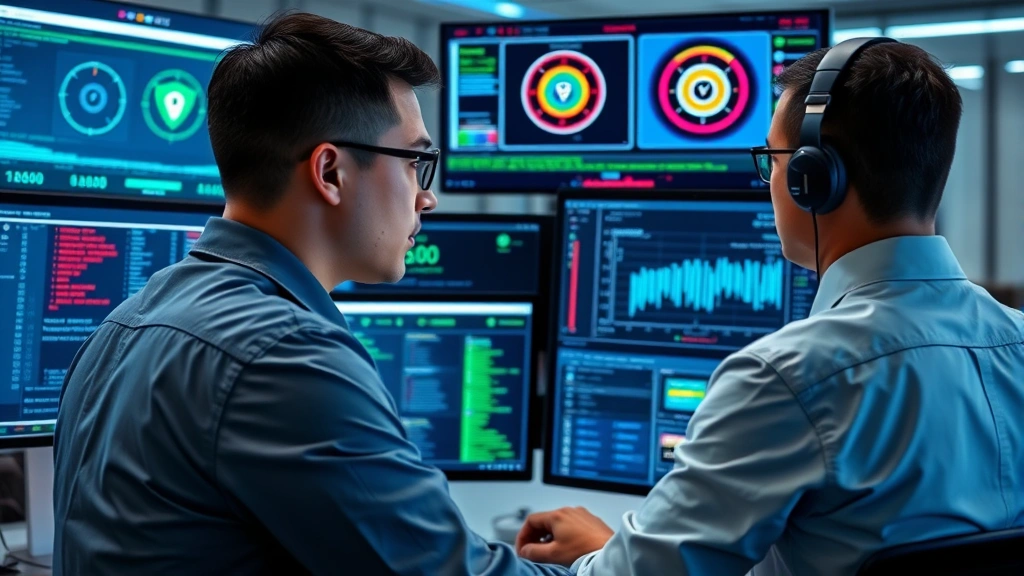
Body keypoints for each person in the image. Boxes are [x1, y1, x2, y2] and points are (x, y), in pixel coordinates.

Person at [52, 12, 571, 576]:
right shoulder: (283, 353)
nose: (428, 200)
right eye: (418, 163)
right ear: (330, 172)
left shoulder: (124, 323)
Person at [516, 40, 1024, 575]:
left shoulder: (790, 378)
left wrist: (601, 557)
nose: (770, 183)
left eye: (772, 161)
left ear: (815, 178)